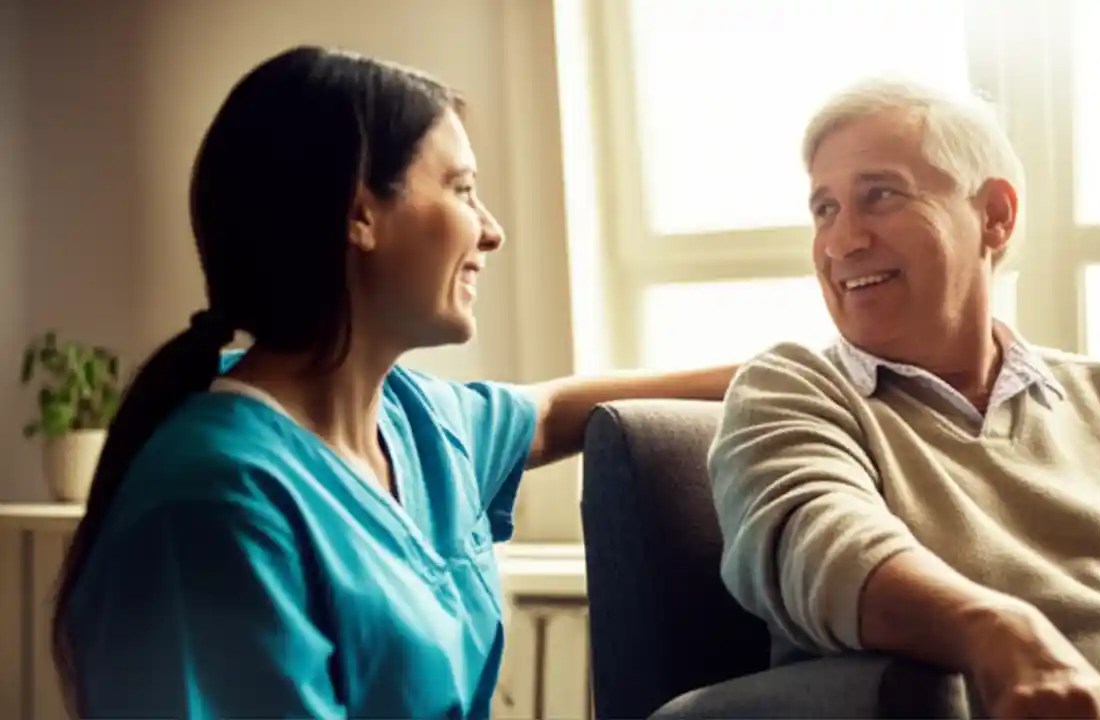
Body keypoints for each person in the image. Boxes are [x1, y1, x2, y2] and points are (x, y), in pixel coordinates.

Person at [52, 46, 736, 719]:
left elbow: (557, 409)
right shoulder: (214, 502)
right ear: (359, 214)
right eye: (463, 190)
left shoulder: (417, 419)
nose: (491, 231)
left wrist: (785, 376)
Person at [709, 78, 1100, 720]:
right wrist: (1000, 634)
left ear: (995, 216)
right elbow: (821, 549)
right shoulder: (788, 389)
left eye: (880, 196)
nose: (841, 243)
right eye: (825, 209)